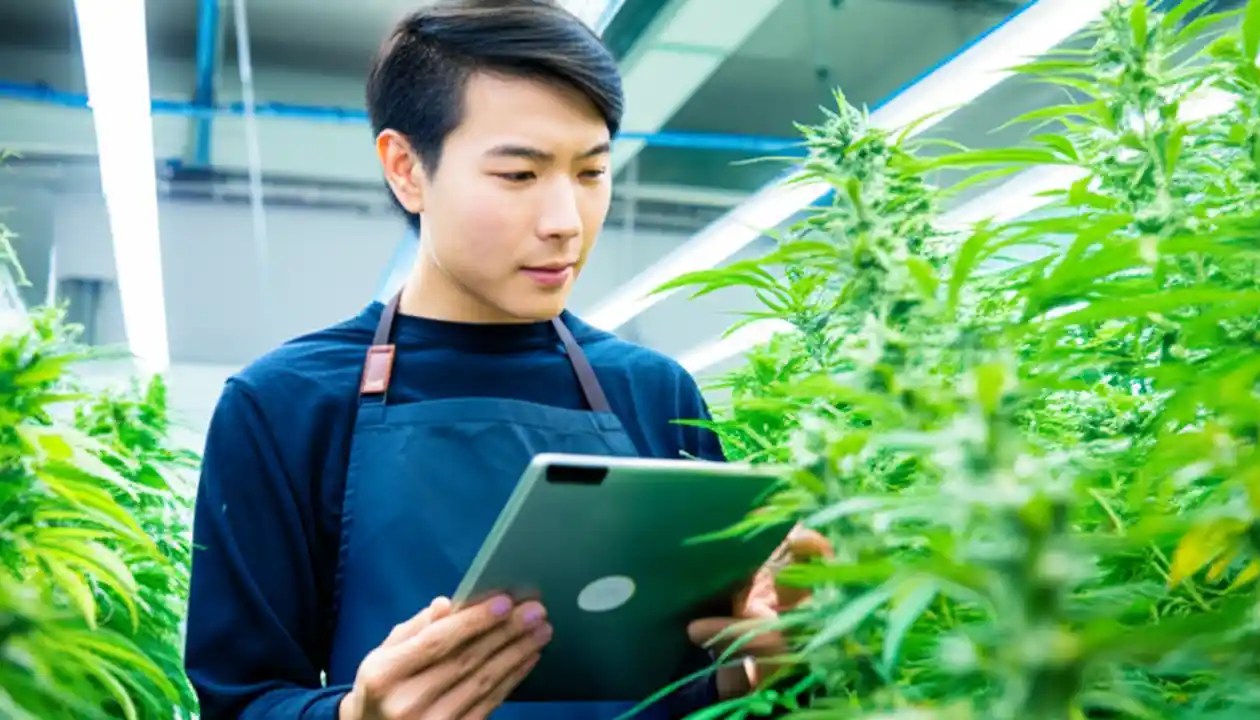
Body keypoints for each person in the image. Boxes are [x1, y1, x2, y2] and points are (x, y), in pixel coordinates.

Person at [183, 1, 828, 718]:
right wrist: (354, 714)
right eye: (520, 176)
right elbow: (239, 700)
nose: (565, 222)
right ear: (406, 169)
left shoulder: (652, 392)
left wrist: (756, 676)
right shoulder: (284, 406)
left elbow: (687, 688)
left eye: (590, 172)